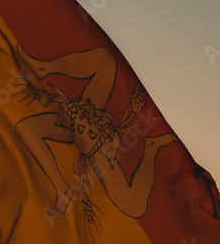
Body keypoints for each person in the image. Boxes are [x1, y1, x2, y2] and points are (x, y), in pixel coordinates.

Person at [13, 44, 177, 223]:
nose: (86, 133)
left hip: (85, 124)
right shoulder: (85, 119)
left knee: (135, 207)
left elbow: (135, 206)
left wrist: (150, 152)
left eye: (88, 132)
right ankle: (45, 68)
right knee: (105, 61)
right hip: (81, 117)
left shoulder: (102, 159)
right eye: (86, 131)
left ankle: (63, 190)